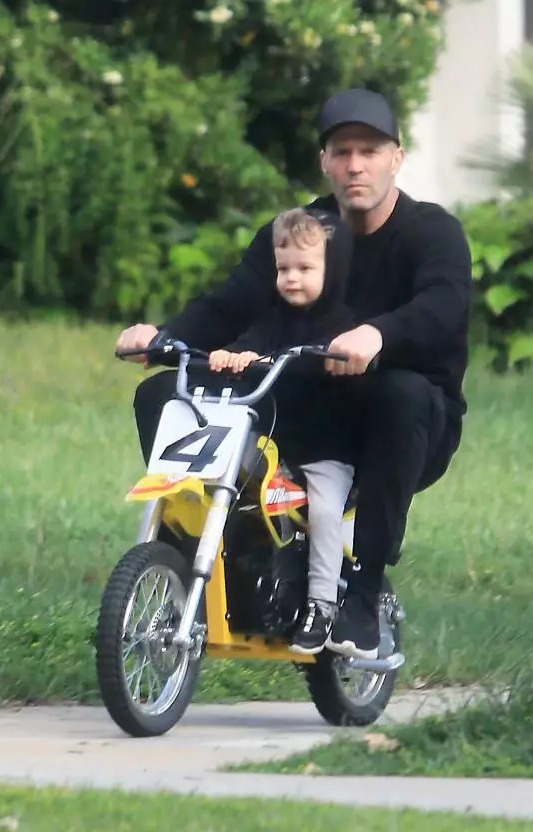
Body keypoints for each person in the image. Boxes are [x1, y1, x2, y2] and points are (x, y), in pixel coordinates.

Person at [116, 87, 473, 660]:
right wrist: (163, 337)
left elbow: (443, 304)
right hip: (298, 407)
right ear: (325, 162)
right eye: (342, 151)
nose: (356, 164)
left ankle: (362, 591)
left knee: (403, 394)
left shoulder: (433, 232)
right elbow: (230, 303)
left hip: (398, 426)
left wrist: (377, 334)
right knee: (163, 393)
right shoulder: (299, 232)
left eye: (370, 150)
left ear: (397, 157)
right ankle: (203, 552)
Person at [208, 205, 359, 655]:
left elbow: (337, 362)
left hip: (327, 448)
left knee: (324, 511)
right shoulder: (275, 315)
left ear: (329, 270)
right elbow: (252, 340)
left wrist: (320, 358)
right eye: (283, 268)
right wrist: (232, 355)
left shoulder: (341, 322)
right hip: (277, 441)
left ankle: (322, 604)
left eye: (305, 268)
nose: (292, 278)